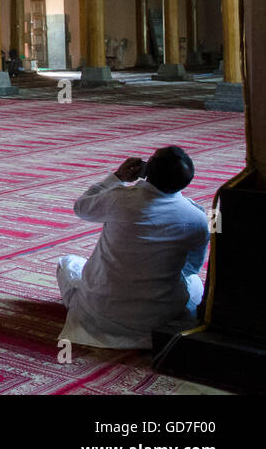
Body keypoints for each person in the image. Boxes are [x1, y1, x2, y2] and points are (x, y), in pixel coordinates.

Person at [55, 147, 210, 349]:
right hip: (159, 321)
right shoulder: (196, 217)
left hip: (102, 313)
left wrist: (117, 177)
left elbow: (81, 207)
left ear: (147, 172)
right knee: (195, 283)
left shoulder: (119, 199)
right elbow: (191, 268)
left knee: (67, 264)